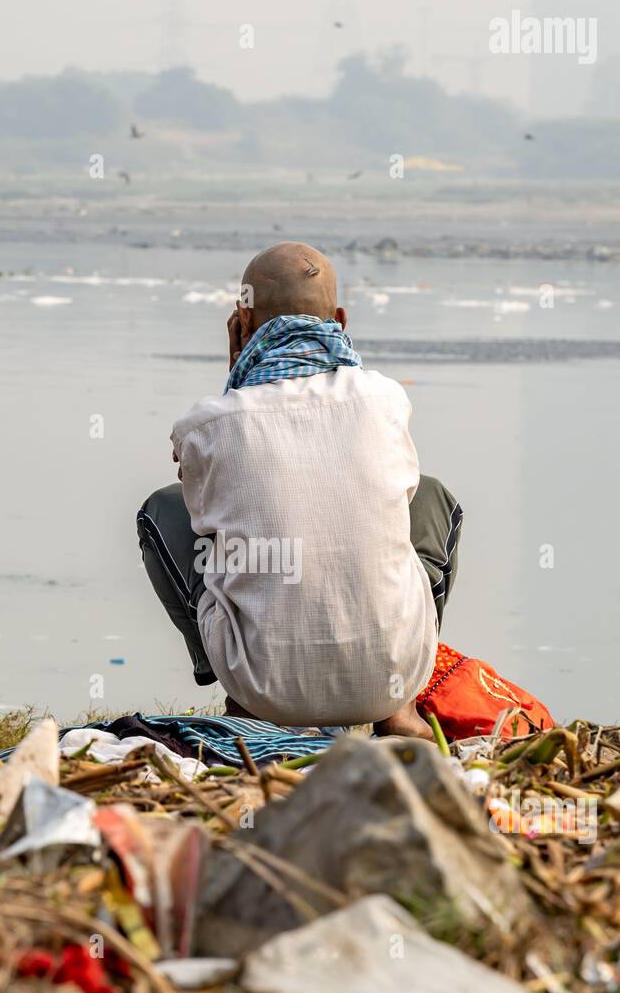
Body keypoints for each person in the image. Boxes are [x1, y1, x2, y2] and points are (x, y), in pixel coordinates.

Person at [137, 241, 462, 740]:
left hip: (264, 686)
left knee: (164, 510)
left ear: (242, 324)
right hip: (388, 681)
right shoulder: (386, 399)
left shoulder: (207, 424)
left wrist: (235, 376)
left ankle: (239, 700)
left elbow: (210, 509)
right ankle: (400, 710)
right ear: (341, 320)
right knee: (432, 498)